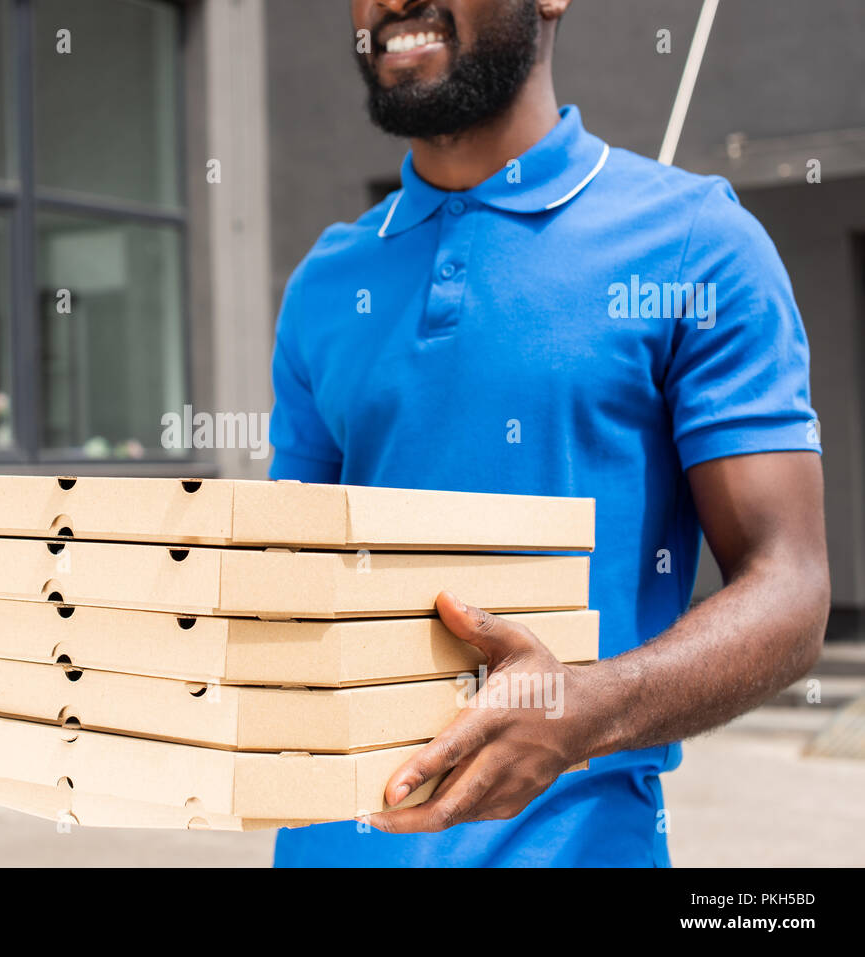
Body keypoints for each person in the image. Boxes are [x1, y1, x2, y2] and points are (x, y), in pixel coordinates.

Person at [268, 0, 829, 866]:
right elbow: (287, 583)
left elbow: (790, 590)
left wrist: (584, 707)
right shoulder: (326, 280)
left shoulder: (698, 245)